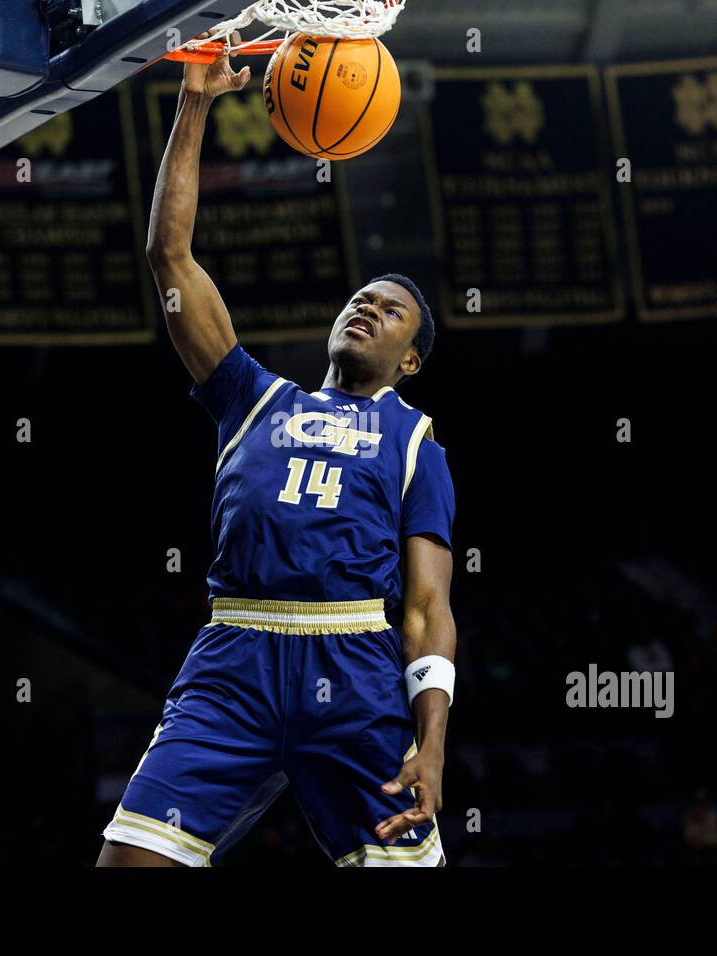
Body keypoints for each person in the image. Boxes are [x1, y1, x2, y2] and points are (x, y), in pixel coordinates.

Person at [96, 33, 457, 867]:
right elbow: (169, 256)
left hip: (356, 668)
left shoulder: (413, 441)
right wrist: (196, 102)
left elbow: (429, 608)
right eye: (361, 299)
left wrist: (432, 744)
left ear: (410, 359)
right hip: (235, 660)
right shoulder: (252, 396)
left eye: (390, 311)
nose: (365, 308)